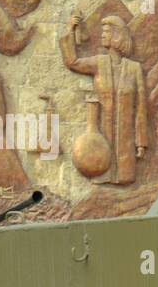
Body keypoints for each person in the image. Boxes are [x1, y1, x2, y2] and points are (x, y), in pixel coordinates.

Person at [60, 13, 149, 184]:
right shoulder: (98, 63)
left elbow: (140, 109)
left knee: (125, 177)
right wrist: (70, 31)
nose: (102, 35)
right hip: (102, 135)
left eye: (106, 32)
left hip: (126, 137)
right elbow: (72, 62)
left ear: (117, 36)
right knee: (102, 172)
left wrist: (141, 142)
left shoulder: (134, 68)